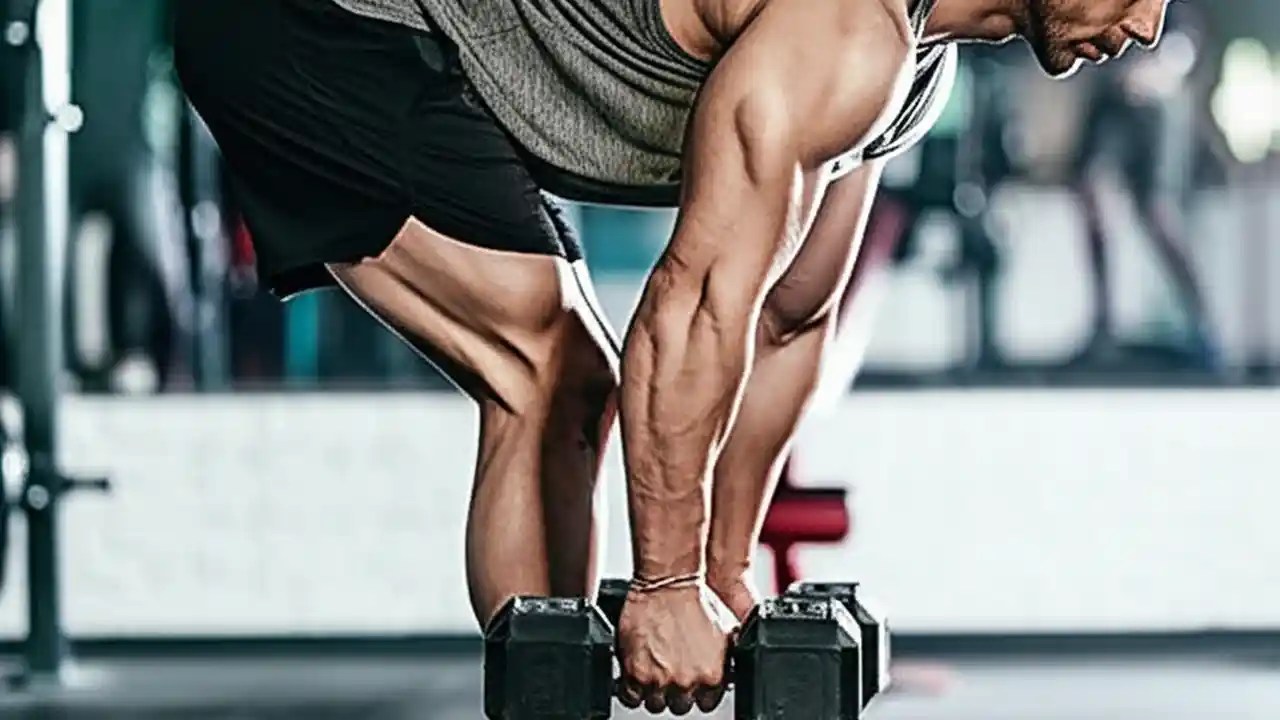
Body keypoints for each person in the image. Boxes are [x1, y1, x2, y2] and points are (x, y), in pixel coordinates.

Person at [173, 0, 1173, 713]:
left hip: (440, 60)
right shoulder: (840, 30)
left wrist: (721, 569)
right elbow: (695, 301)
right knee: (550, 375)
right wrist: (660, 587)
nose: (1143, 29)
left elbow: (787, 314)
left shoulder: (909, 69)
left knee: (570, 381)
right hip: (323, 27)